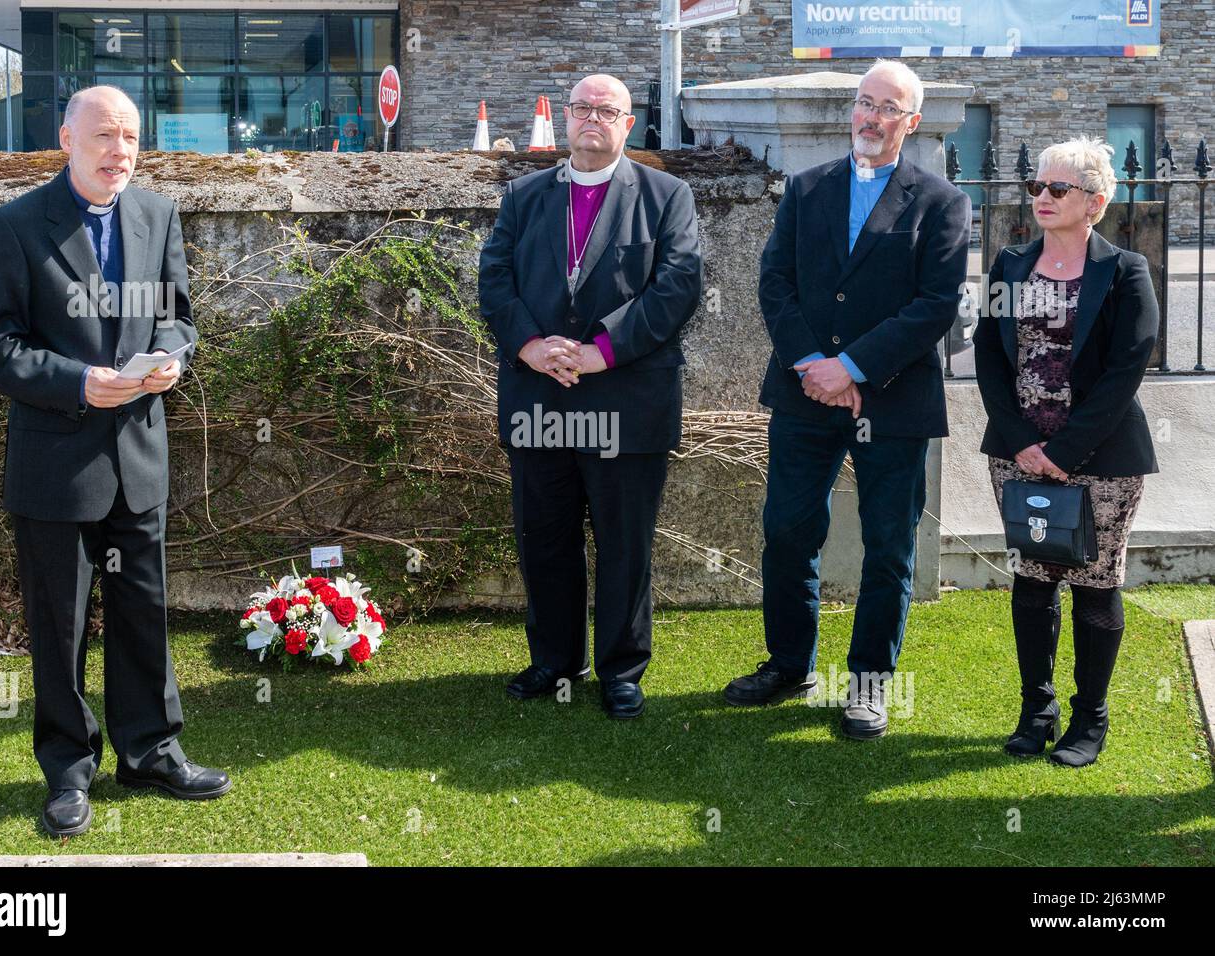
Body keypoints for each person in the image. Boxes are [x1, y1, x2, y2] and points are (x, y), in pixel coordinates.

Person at [0, 85, 231, 838]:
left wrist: (173, 359)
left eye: (132, 137)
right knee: (61, 626)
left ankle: (151, 752)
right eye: (105, 136)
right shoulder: (15, 226)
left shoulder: (157, 215)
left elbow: (179, 317)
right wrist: (80, 382)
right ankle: (67, 771)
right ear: (67, 139)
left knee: (145, 614)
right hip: (56, 468)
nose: (121, 150)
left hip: (139, 459)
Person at [724, 60, 971, 739]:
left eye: (888, 107)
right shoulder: (807, 189)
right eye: (865, 102)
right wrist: (814, 364)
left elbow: (935, 306)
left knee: (889, 546)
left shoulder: (941, 202)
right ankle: (788, 665)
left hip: (892, 401)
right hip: (805, 393)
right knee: (787, 531)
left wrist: (855, 368)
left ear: (911, 122)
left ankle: (868, 686)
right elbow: (775, 280)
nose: (871, 117)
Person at [478, 73, 703, 719]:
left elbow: (677, 287)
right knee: (544, 536)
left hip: (626, 400)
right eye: (582, 109)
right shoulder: (524, 196)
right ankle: (554, 660)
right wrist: (529, 347)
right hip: (539, 395)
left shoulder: (666, 196)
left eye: (608, 111)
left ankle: (621, 669)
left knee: (624, 542)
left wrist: (598, 351)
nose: (592, 120)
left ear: (628, 124)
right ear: (568, 119)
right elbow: (494, 279)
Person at [974, 137, 1158, 767]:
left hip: (1104, 459)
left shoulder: (1127, 271)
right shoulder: (1008, 266)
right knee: (1033, 578)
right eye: (1037, 187)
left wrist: (1068, 448)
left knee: (1094, 586)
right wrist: (1024, 442)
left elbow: (1129, 366)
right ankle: (1036, 710)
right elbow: (988, 357)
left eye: (1058, 189)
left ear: (1095, 202)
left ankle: (1090, 719)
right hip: (1017, 455)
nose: (1042, 198)